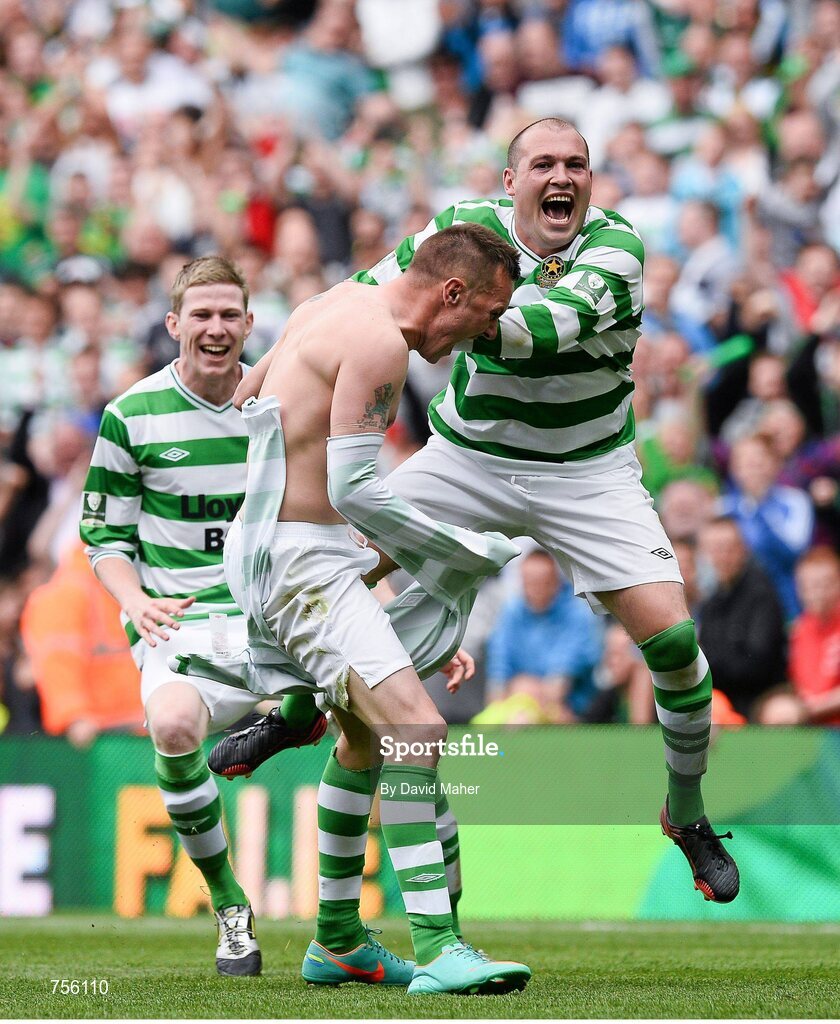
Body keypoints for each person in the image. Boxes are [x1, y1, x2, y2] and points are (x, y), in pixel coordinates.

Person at [215, 118, 740, 905]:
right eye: (544, 164)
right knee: (334, 568)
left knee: (672, 642)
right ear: (510, 181)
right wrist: (273, 360)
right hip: (468, 455)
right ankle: (296, 706)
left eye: (576, 164)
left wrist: (435, 310)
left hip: (585, 472)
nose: (561, 177)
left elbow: (539, 330)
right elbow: (365, 292)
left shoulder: (616, 248)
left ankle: (687, 812)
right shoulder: (464, 229)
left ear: (590, 181)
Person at [205, 223, 530, 995]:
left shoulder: (327, 304)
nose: (485, 333)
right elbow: (354, 489)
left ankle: (340, 941)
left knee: (362, 739)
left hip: (275, 550)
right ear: (452, 292)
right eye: (487, 314)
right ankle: (441, 947)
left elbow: (246, 398)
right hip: (300, 562)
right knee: (417, 728)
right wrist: (459, 553)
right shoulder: (381, 342)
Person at [79, 255, 277, 976]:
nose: (215, 328)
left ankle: (352, 932)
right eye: (201, 315)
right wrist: (134, 600)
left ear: (249, 324)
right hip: (180, 620)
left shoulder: (280, 404)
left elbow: (328, 516)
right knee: (170, 727)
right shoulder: (132, 416)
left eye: (228, 315)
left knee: (383, 712)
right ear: (173, 325)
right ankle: (229, 906)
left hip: (275, 613)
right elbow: (105, 538)